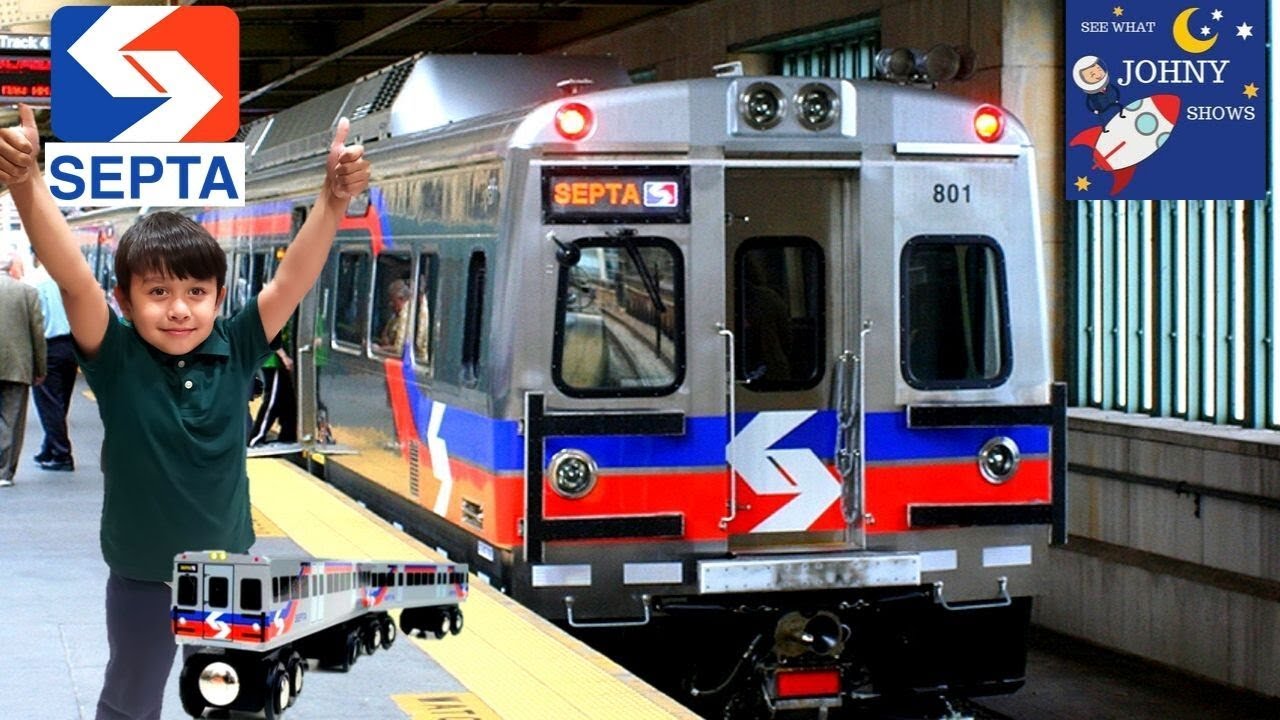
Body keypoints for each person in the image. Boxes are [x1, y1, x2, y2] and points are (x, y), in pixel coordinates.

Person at [0, 104, 369, 720]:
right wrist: (27, 184)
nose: (179, 310)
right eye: (158, 293)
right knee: (132, 697)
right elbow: (72, 279)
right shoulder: (114, 357)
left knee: (234, 698)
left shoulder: (240, 344)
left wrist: (331, 205)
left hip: (229, 571)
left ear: (220, 297)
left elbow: (291, 281)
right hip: (143, 575)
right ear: (125, 300)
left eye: (197, 293)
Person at [28, 252, 78, 471]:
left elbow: (35, 323)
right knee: (61, 401)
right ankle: (49, 447)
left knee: (48, 401)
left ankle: (61, 453)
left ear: (35, 256)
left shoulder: (35, 282)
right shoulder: (69, 277)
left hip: (48, 346)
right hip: (71, 345)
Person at [0, 251, 46, 488]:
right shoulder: (27, 292)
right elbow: (37, 334)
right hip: (17, 366)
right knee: (12, 419)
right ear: (12, 268)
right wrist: (40, 368)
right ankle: (4, 472)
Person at [248, 314, 297, 446]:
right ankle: (256, 438)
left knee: (286, 399)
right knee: (273, 401)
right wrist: (284, 357)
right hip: (273, 361)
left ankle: (288, 435)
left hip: (278, 362)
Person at [377, 277, 412, 352]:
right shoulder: (395, 314)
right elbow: (385, 334)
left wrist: (379, 349)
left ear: (401, 299)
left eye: (393, 301)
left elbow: (398, 349)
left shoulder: (406, 317)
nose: (391, 304)